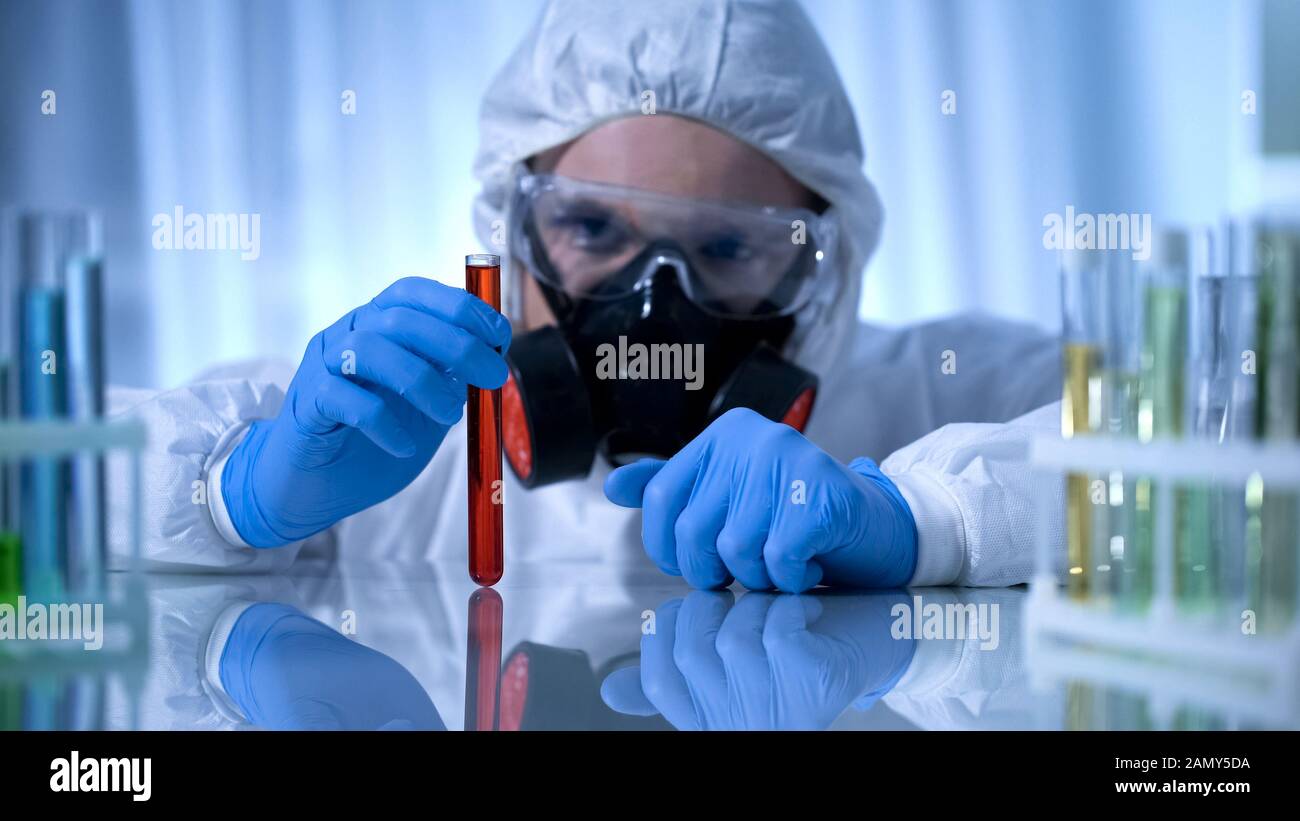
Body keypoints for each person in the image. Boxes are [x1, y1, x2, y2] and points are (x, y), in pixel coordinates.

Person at [109, 0, 1063, 590]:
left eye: (730, 244)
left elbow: (1197, 438)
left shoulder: (935, 400)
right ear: (511, 229)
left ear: (821, 260)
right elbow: (36, 485)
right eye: (594, 229)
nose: (656, 300)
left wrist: (929, 519)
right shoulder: (384, 438)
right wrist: (231, 494)